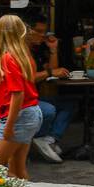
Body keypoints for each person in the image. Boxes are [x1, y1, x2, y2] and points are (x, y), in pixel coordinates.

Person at [0, 14, 43, 180]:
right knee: (17, 170)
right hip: (32, 112)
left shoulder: (7, 58)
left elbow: (17, 94)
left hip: (20, 116)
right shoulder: (23, 55)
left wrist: (9, 126)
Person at [24, 17, 76, 164]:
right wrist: (50, 73)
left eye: (44, 32)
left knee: (69, 104)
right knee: (48, 110)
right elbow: (27, 78)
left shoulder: (37, 49)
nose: (43, 35)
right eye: (39, 31)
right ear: (27, 31)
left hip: (34, 96)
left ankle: (50, 138)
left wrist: (53, 50)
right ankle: (40, 137)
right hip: (21, 99)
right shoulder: (21, 51)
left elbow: (53, 70)